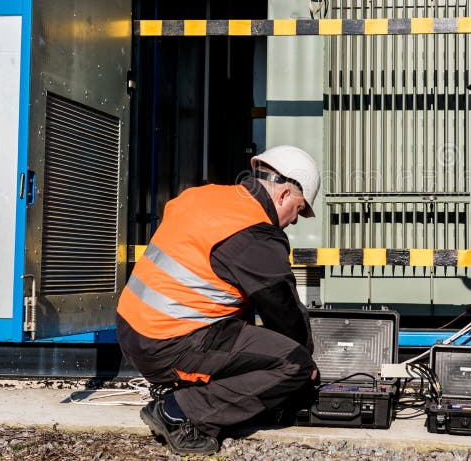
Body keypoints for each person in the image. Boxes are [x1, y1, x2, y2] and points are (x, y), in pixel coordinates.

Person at [116, 145, 321, 455]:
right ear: (282, 196)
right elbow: (285, 314)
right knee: (292, 364)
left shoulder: (205, 196)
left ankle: (188, 389)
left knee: (242, 314)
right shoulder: (255, 234)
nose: (295, 221)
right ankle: (178, 412)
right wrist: (307, 367)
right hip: (166, 343)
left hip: (133, 328)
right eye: (299, 209)